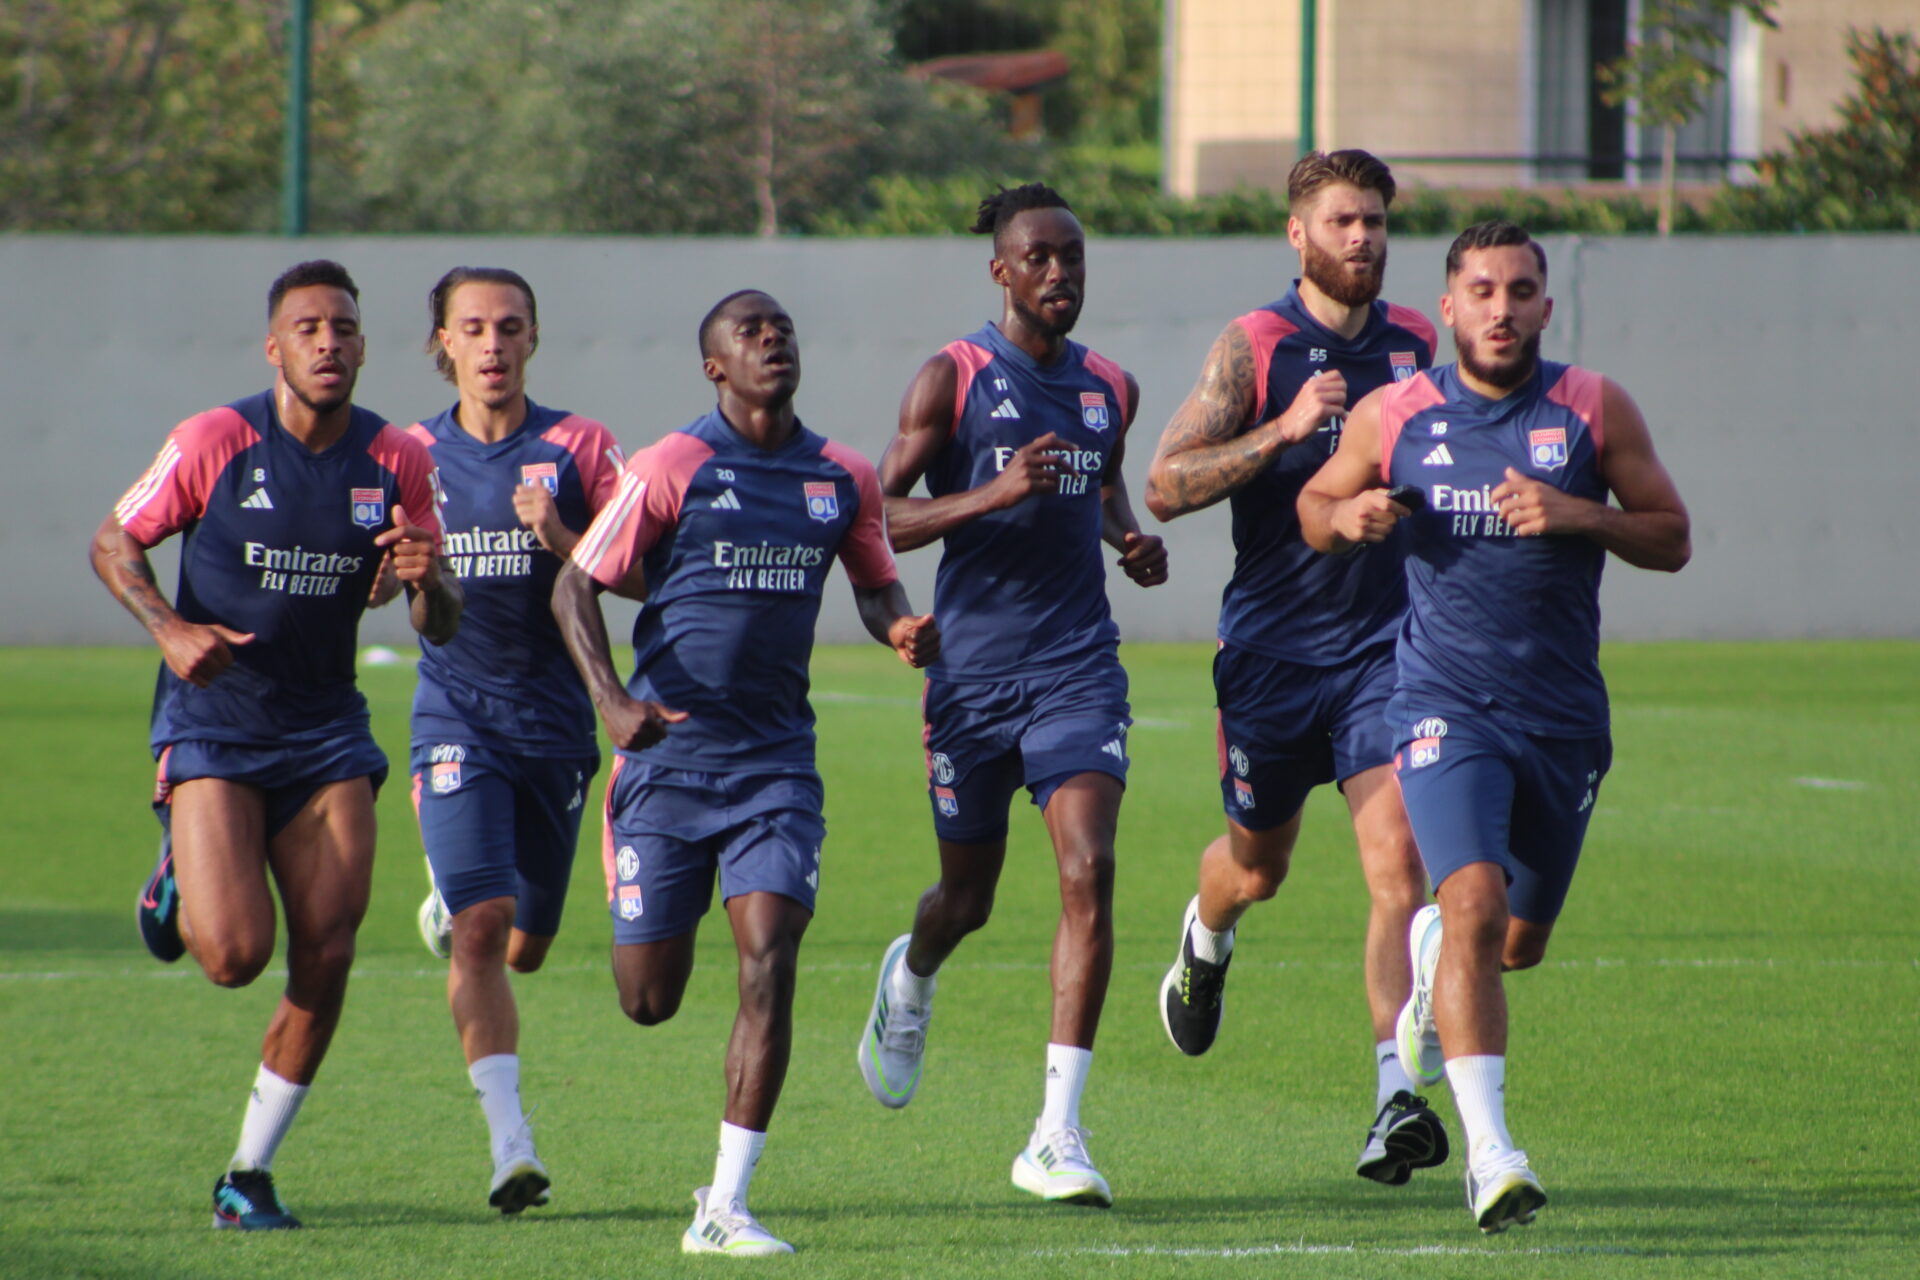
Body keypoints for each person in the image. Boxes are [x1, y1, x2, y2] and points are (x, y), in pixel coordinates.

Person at [1298, 220, 1690, 1232]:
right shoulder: (1398, 412)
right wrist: (1349, 521)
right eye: (1482, 289)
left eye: (1520, 290)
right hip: (1438, 703)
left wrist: (1580, 516)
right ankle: (1491, 1152)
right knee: (1469, 900)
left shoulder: (1593, 408)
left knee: (1515, 942)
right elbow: (1314, 502)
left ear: (1545, 308)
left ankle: (1439, 950)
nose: (1502, 307)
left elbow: (1672, 534)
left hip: (1560, 718)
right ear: (1450, 307)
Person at [553, 289, 937, 1256]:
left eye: (784, 330)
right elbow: (574, 583)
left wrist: (895, 622)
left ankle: (723, 1205)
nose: (773, 340)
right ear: (715, 367)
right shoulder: (671, 464)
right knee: (649, 999)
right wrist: (611, 700)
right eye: (750, 333)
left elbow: (875, 577)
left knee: (770, 961)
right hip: (668, 761)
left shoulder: (841, 476)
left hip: (776, 769)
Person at [93, 259, 461, 1230]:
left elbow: (439, 614)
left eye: (343, 326)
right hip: (216, 720)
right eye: (308, 327)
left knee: (329, 949)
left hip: (325, 726)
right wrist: (170, 628)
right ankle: (178, 866)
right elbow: (114, 540)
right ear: (276, 346)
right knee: (233, 956)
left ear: (363, 345)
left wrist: (428, 578)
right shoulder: (217, 439)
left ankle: (246, 1173)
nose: (328, 342)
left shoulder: (397, 461)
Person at [855, 182, 1168, 1209]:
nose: (1059, 274)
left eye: (1072, 256)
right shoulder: (952, 378)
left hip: (1077, 665)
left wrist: (1127, 536)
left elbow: (1106, 475)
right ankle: (914, 970)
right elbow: (875, 521)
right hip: (972, 680)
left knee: (1091, 865)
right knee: (968, 898)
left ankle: (1056, 1129)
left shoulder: (1110, 384)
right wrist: (994, 491)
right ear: (1000, 270)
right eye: (1038, 257)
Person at [1141, 149, 1448, 1185]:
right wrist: (1282, 430)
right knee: (1257, 870)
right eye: (1341, 221)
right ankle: (1206, 932)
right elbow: (1165, 485)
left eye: (1374, 221)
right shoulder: (1258, 346)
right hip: (1272, 656)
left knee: (1397, 868)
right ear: (1298, 234)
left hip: (1385, 651)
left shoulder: (1417, 342)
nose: (1361, 237)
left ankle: (1391, 1099)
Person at [403, 267, 626, 1214]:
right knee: (488, 934)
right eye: (472, 329)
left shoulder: (581, 446)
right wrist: (413, 575)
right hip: (457, 718)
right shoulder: (407, 454)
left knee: (527, 943)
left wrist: (566, 532)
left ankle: (456, 899)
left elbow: (640, 568)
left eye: (509, 327)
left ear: (534, 339)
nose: (492, 344)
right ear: (442, 345)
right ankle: (511, 1149)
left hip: (556, 730)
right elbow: (394, 595)